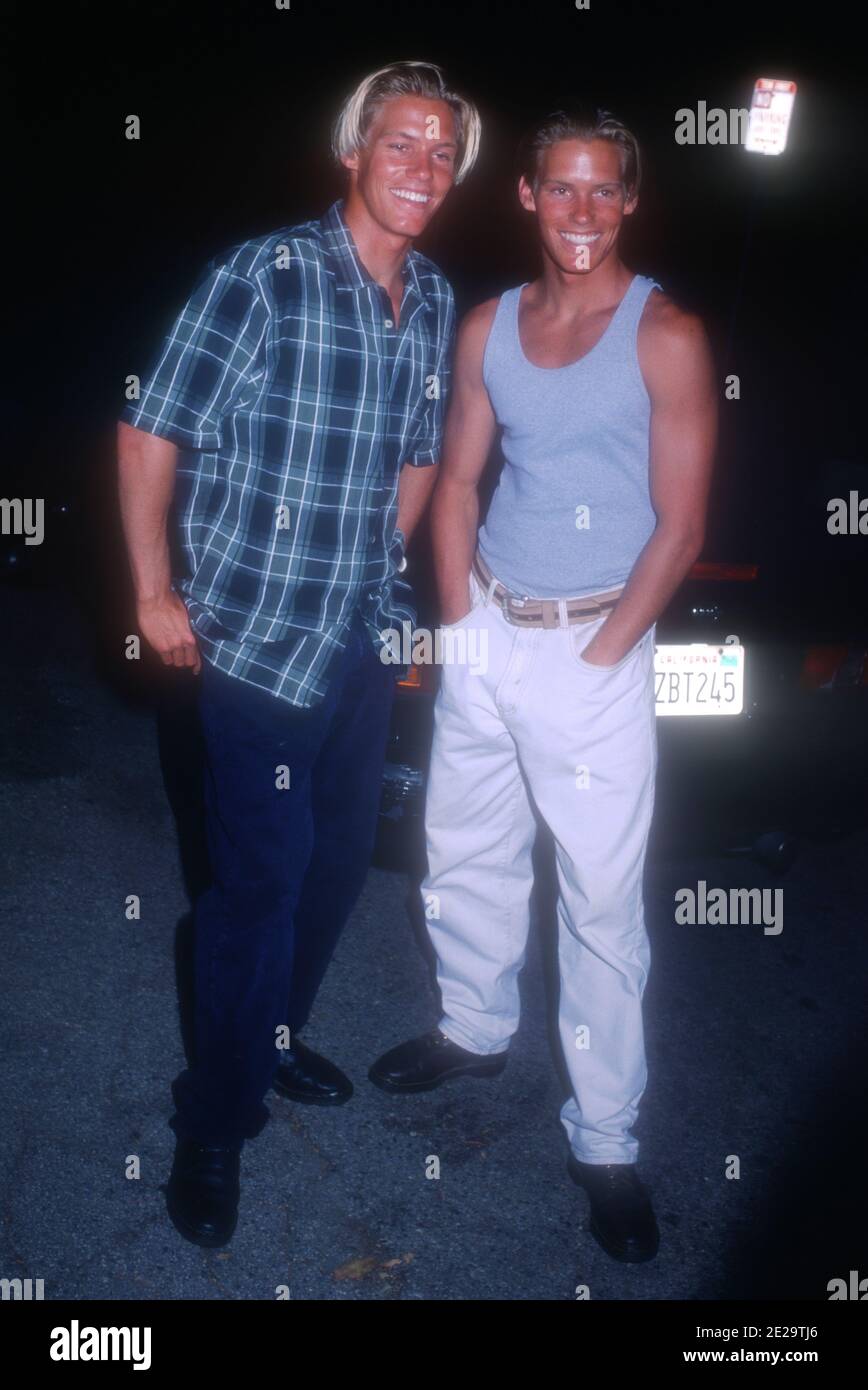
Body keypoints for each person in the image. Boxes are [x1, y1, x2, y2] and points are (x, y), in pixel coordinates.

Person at [117, 60, 480, 1247]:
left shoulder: (427, 296)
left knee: (329, 877)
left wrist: (386, 561)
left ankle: (269, 1041)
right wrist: (153, 588)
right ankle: (213, 1120)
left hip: (359, 638)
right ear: (353, 152)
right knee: (259, 892)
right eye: (402, 144)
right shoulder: (264, 274)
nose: (422, 168)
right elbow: (149, 421)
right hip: (259, 646)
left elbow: (423, 446)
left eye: (443, 153)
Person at [370, 108, 717, 1263]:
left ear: (629, 201)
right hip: (488, 627)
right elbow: (459, 480)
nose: (579, 212)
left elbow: (679, 527)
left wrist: (604, 652)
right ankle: (472, 1026)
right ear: (524, 196)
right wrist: (461, 622)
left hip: (592, 650)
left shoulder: (665, 333)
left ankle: (605, 1139)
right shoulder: (486, 328)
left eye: (601, 192)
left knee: (600, 906)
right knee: (464, 846)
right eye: (558, 190)